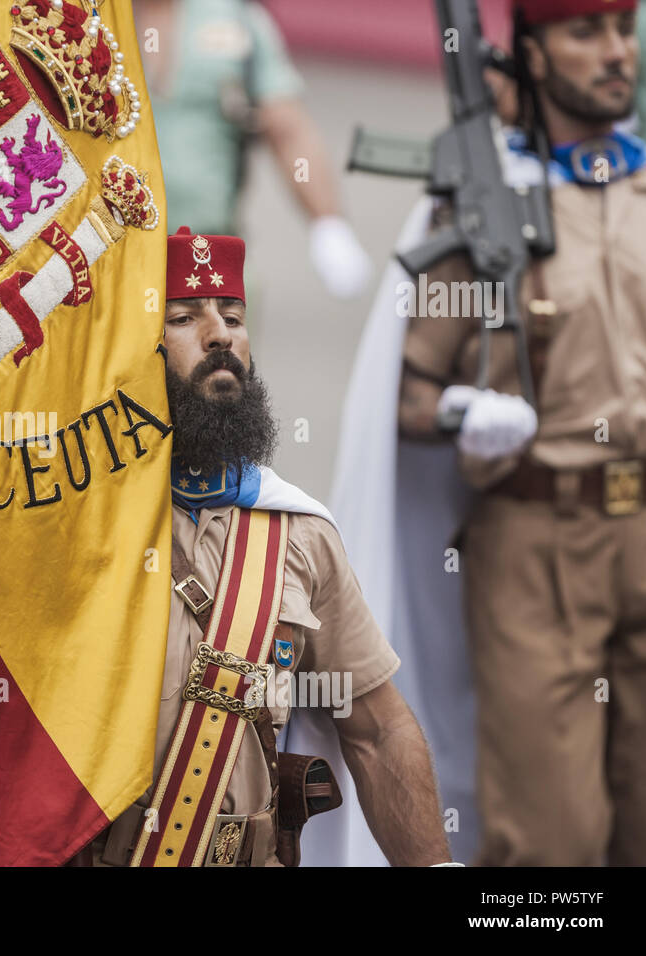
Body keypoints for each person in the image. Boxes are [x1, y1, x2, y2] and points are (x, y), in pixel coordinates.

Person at [335, 0, 646, 867]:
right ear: (535, 60)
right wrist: (461, 417)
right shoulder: (487, 203)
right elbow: (407, 390)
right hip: (537, 542)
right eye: (586, 33)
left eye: (623, 31)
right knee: (552, 837)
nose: (615, 52)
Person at [72, 228, 453, 867]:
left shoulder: (297, 531)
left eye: (233, 317)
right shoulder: (68, 520)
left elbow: (379, 732)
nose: (220, 334)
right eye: (183, 318)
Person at [131, 0, 372, 300]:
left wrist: (329, 225)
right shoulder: (88, 18)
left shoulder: (235, 20)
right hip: (108, 256)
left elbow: (287, 129)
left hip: (206, 259)